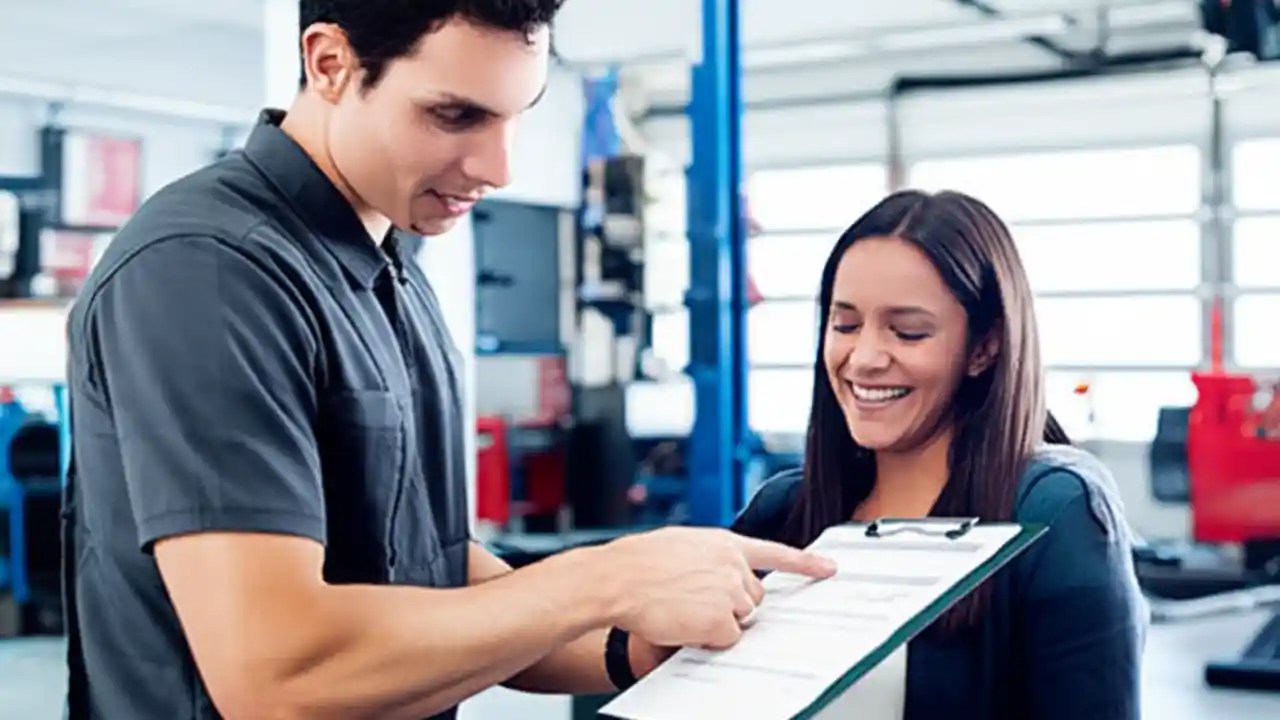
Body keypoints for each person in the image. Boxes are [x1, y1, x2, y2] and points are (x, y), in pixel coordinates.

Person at [60, 3, 835, 718]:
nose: (498, 167)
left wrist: (634, 642)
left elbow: (432, 567)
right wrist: (604, 579)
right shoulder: (207, 269)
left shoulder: (389, 264)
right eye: (456, 115)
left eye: (515, 117)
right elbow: (278, 672)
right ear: (330, 64)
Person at [732, 190, 1148, 720]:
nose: (864, 358)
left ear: (983, 347)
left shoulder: (1054, 513)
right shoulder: (782, 511)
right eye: (845, 325)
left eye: (908, 332)